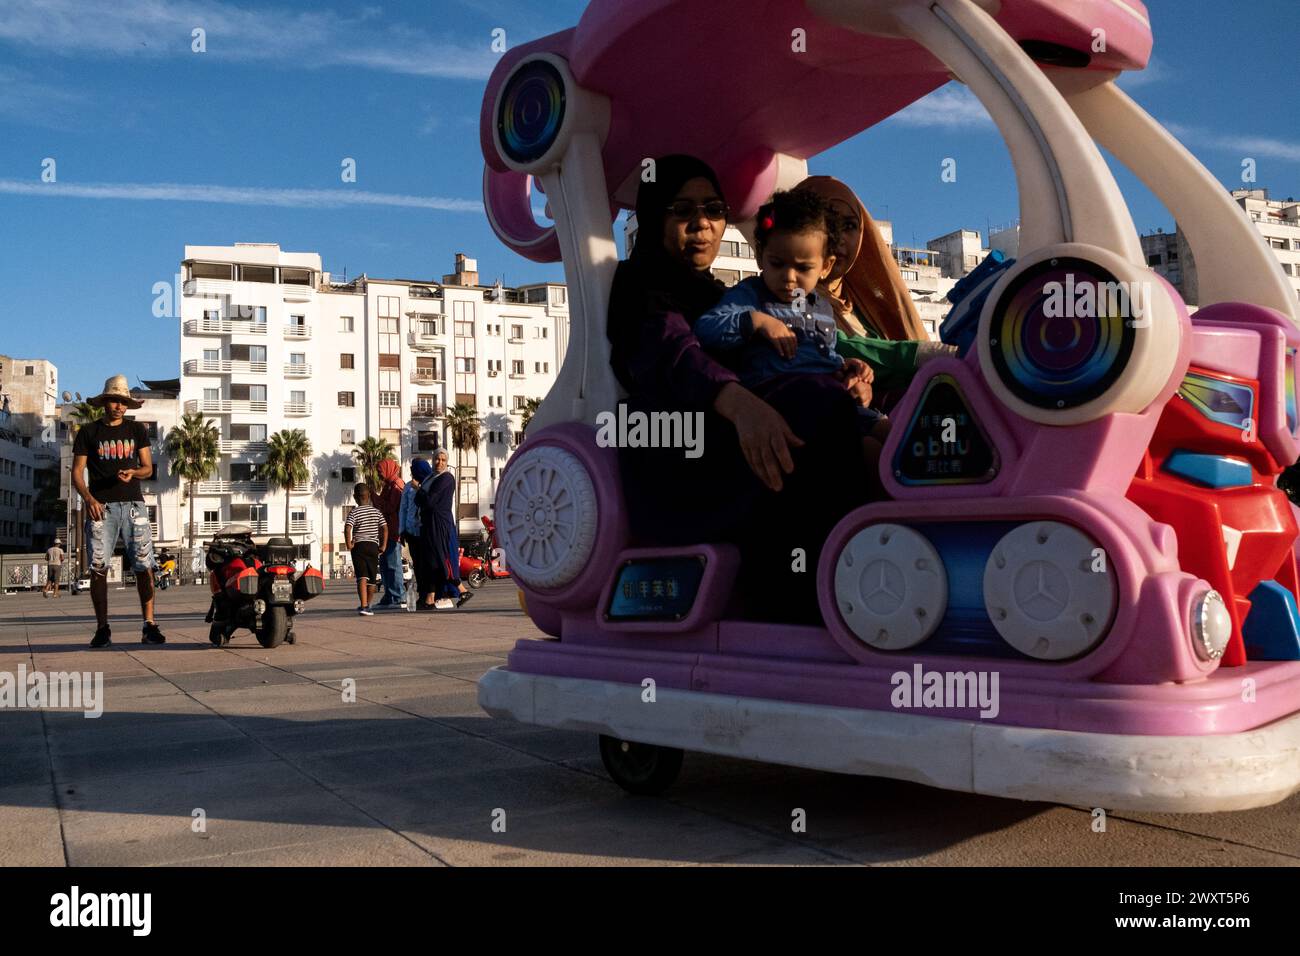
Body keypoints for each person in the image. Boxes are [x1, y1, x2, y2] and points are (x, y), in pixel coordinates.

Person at [607, 156, 870, 622]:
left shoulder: (721, 294)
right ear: (653, 218)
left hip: (731, 432)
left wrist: (848, 375)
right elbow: (672, 352)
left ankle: (857, 573)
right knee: (813, 410)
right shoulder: (639, 284)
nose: (702, 224)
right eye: (682, 210)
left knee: (845, 411)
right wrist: (740, 405)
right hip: (675, 451)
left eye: (713, 209)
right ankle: (802, 597)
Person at [694, 189, 889, 454]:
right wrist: (755, 321)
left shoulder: (822, 308)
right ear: (760, 255)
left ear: (825, 266)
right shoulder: (751, 295)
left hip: (828, 399)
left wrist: (846, 369)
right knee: (864, 448)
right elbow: (705, 329)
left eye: (803, 268)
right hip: (779, 399)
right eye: (778, 264)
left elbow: (823, 357)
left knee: (889, 434)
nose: (788, 277)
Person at [795, 175, 957, 405]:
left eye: (849, 226)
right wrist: (926, 354)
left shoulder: (864, 303)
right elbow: (833, 344)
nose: (839, 238)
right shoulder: (786, 296)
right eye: (827, 223)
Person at [71, 375, 164, 647]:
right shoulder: (89, 432)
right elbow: (77, 472)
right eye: (114, 401)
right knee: (98, 568)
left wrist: (133, 472)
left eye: (123, 402)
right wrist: (89, 499)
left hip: (134, 505)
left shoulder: (136, 430)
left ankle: (149, 625)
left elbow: (147, 468)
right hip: (102, 507)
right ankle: (102, 628)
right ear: (105, 402)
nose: (119, 406)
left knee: (144, 566)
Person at [416, 449, 473, 610]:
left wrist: (419, 490)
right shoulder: (431, 477)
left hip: (439, 524)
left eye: (443, 460)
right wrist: (421, 495)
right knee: (431, 561)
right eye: (437, 459)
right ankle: (430, 598)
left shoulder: (446, 478)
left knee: (442, 559)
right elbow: (419, 501)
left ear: (447, 462)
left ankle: (462, 590)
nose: (439, 463)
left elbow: (429, 501)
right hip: (428, 523)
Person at [344, 482, 387, 616]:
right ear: (369, 496)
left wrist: (349, 544)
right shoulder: (377, 512)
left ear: (355, 497)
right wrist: (383, 545)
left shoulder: (354, 512)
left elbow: (348, 528)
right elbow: (385, 528)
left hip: (359, 546)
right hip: (373, 546)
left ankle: (363, 605)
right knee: (372, 579)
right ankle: (368, 605)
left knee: (362, 577)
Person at [372, 458, 406, 609]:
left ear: (388, 469)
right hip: (385, 531)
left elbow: (390, 508)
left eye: (380, 471)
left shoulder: (397, 485)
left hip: (392, 531)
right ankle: (389, 596)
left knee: (393, 564)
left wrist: (375, 498)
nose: (379, 474)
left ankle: (399, 596)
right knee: (385, 565)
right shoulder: (388, 486)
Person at [399, 458, 432, 608]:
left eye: (415, 469)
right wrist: (402, 531)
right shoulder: (407, 487)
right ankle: (422, 594)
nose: (412, 472)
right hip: (412, 532)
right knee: (417, 565)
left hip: (426, 531)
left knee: (428, 564)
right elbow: (403, 509)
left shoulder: (431, 484)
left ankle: (431, 595)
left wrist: (419, 488)